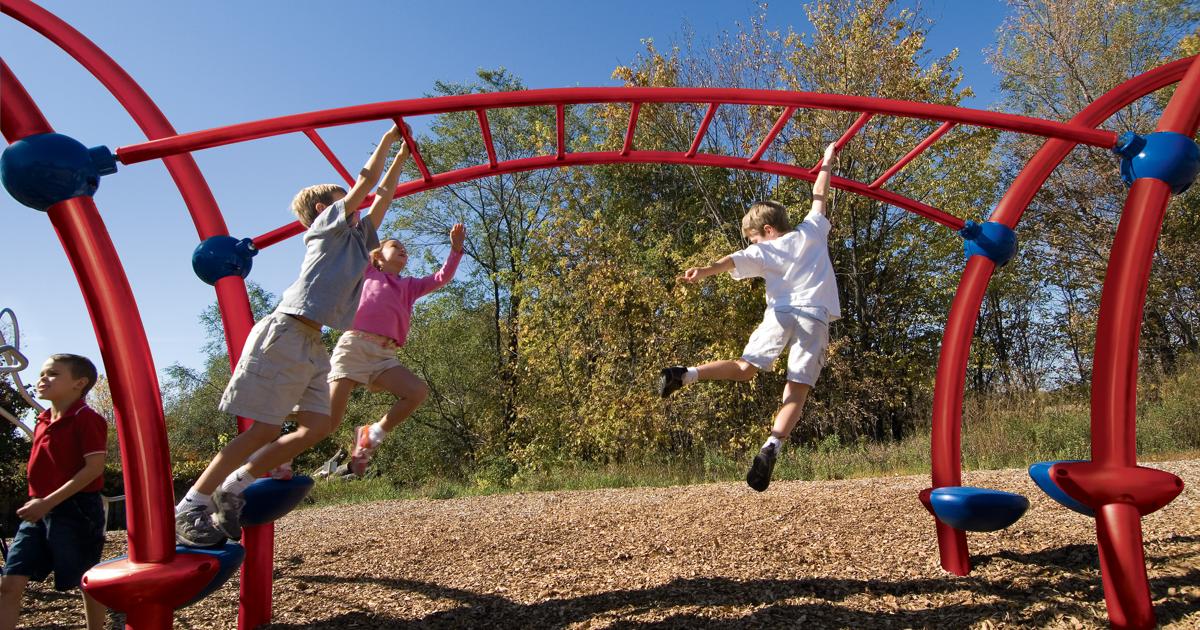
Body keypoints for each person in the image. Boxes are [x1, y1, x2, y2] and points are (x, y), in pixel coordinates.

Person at [175, 125, 411, 546]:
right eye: (346, 201)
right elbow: (367, 184)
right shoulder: (324, 230)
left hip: (312, 343)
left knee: (318, 425)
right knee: (262, 429)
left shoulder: (358, 243)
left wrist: (401, 160)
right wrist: (389, 139)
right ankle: (193, 503)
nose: (356, 206)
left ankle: (236, 487)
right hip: (283, 332)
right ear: (325, 208)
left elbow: (383, 196)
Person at [658, 142, 841, 492]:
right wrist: (828, 161)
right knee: (797, 391)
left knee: (745, 369)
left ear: (767, 231)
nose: (754, 243)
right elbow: (820, 195)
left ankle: (688, 374)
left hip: (781, 315)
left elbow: (731, 261)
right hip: (813, 319)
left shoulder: (765, 248)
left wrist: (705, 271)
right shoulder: (813, 230)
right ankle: (773, 445)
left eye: (754, 237)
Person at [329, 223, 465, 476]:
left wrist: (455, 250)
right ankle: (277, 446)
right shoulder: (368, 273)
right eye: (396, 246)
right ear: (378, 256)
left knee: (416, 392)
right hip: (355, 346)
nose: (404, 250)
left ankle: (371, 436)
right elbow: (361, 240)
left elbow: (441, 278)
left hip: (384, 355)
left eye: (405, 248)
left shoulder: (409, 286)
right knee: (329, 418)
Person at [0, 354, 107, 630]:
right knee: (10, 583)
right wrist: (41, 503)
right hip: (38, 509)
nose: (42, 379)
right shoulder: (43, 419)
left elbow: (93, 468)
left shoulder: (87, 419)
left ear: (79, 383)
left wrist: (48, 502)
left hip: (76, 511)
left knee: (86, 580)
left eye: (53, 373)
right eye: (42, 373)